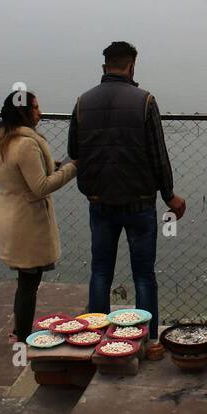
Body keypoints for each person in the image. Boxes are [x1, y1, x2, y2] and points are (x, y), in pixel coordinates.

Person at [68, 41, 185, 359]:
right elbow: (158, 154)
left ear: (104, 67)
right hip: (139, 202)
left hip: (100, 202)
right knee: (144, 274)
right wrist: (169, 195)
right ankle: (149, 342)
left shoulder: (82, 103)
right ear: (132, 67)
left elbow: (74, 152)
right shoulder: (145, 101)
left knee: (101, 271)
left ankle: (93, 338)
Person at [0, 90, 77, 343]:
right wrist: (72, 168)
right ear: (24, 112)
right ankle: (22, 335)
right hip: (27, 221)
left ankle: (20, 331)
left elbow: (23, 176)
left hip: (9, 213)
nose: (40, 112)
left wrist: (53, 167)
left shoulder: (1, 140)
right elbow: (40, 187)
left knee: (25, 279)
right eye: (36, 108)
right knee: (28, 281)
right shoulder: (26, 143)